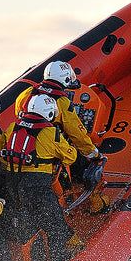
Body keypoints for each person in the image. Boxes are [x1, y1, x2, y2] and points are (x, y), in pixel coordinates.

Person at [0, 94, 82, 261]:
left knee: (52, 220)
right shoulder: (50, 132)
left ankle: (72, 244)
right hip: (37, 190)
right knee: (56, 229)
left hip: (12, 189)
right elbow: (71, 156)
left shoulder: (13, 127)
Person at [15, 61, 109, 214]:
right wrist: (94, 154)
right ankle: (96, 203)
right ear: (66, 79)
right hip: (49, 151)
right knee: (87, 164)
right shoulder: (62, 102)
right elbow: (77, 133)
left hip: (23, 149)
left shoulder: (25, 95)